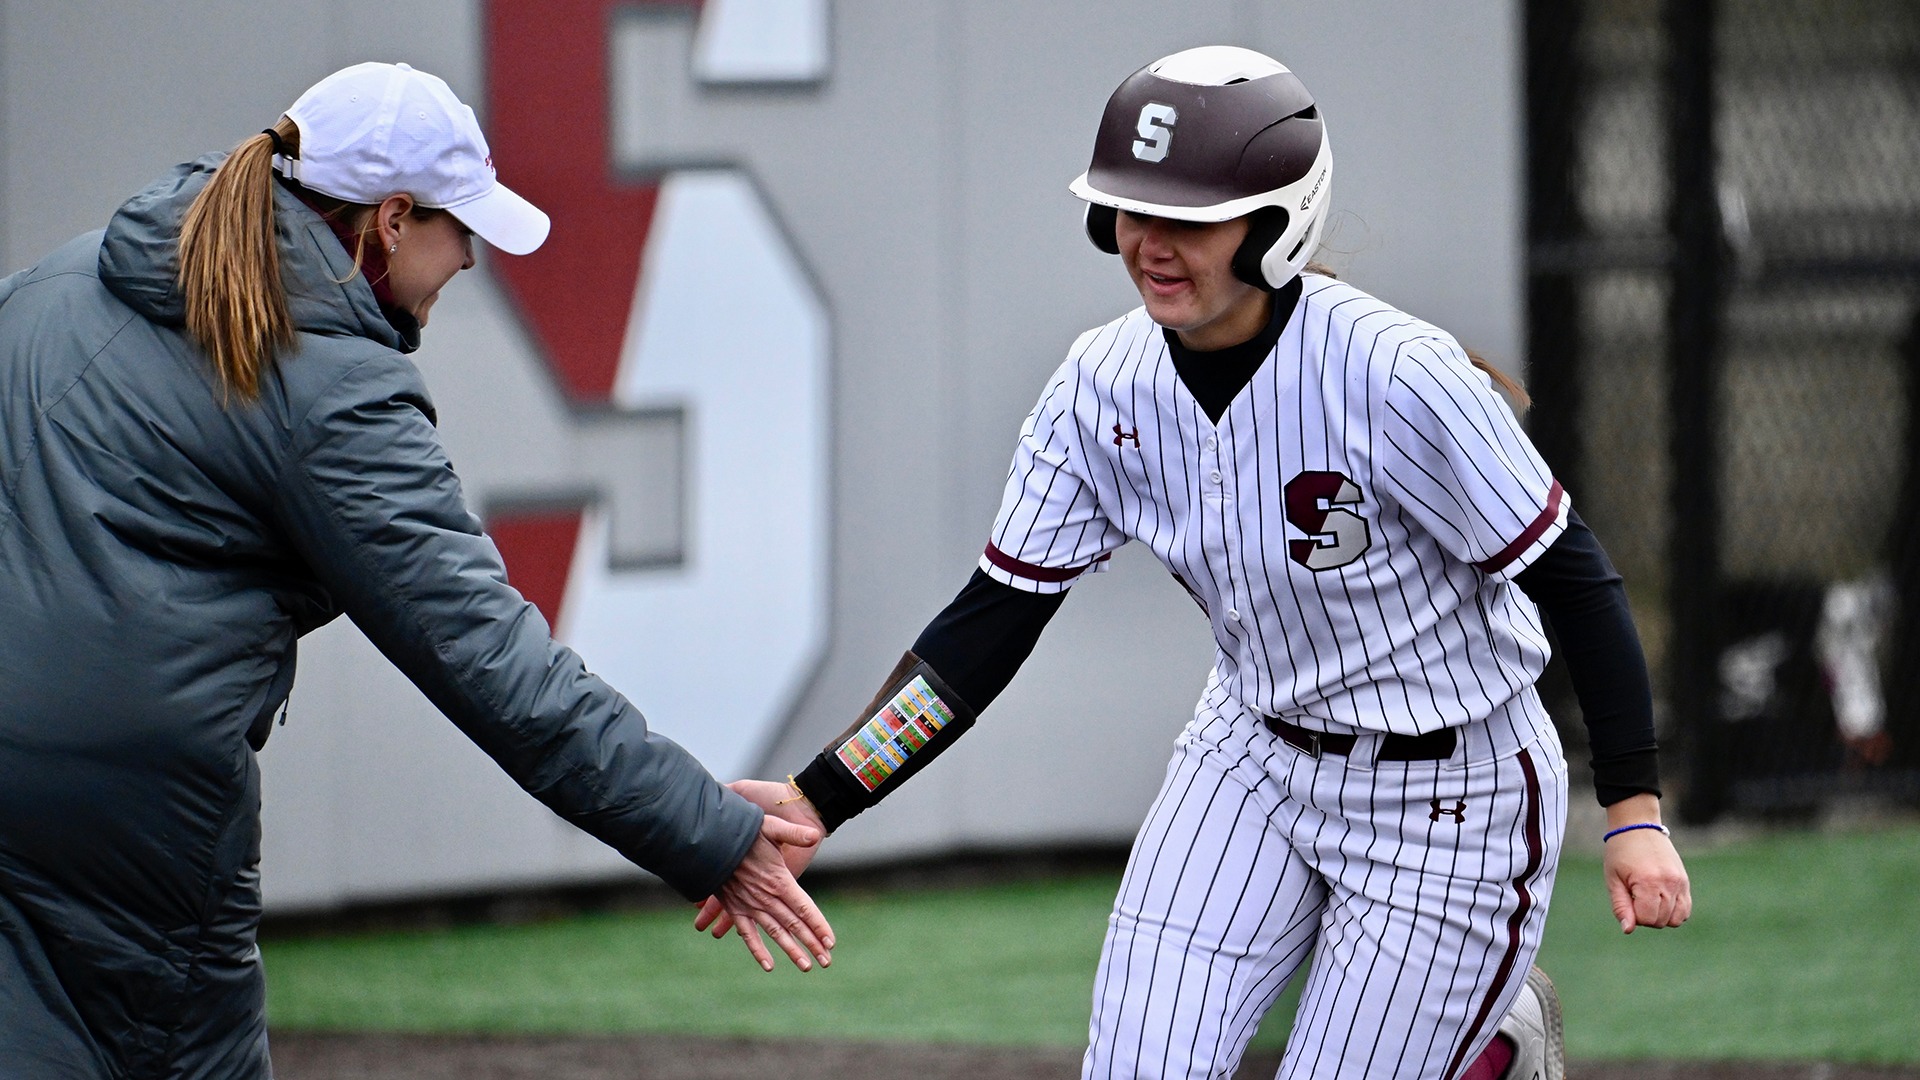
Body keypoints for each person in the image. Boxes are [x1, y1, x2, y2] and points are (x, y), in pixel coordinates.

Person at [700, 46, 1691, 1080]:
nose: (1151, 243)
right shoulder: (1102, 381)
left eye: (1191, 217)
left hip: (1451, 792)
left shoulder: (1397, 373)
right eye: (1133, 209)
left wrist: (1634, 813)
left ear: (1276, 224)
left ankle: (1491, 1047)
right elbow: (990, 622)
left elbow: (1575, 581)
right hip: (1251, 756)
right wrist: (825, 793)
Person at [0, 61, 831, 1080]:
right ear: (390, 222)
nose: (472, 256)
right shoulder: (331, 385)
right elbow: (494, 662)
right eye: (460, 226)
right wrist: (710, 834)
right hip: (128, 832)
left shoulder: (58, 279)